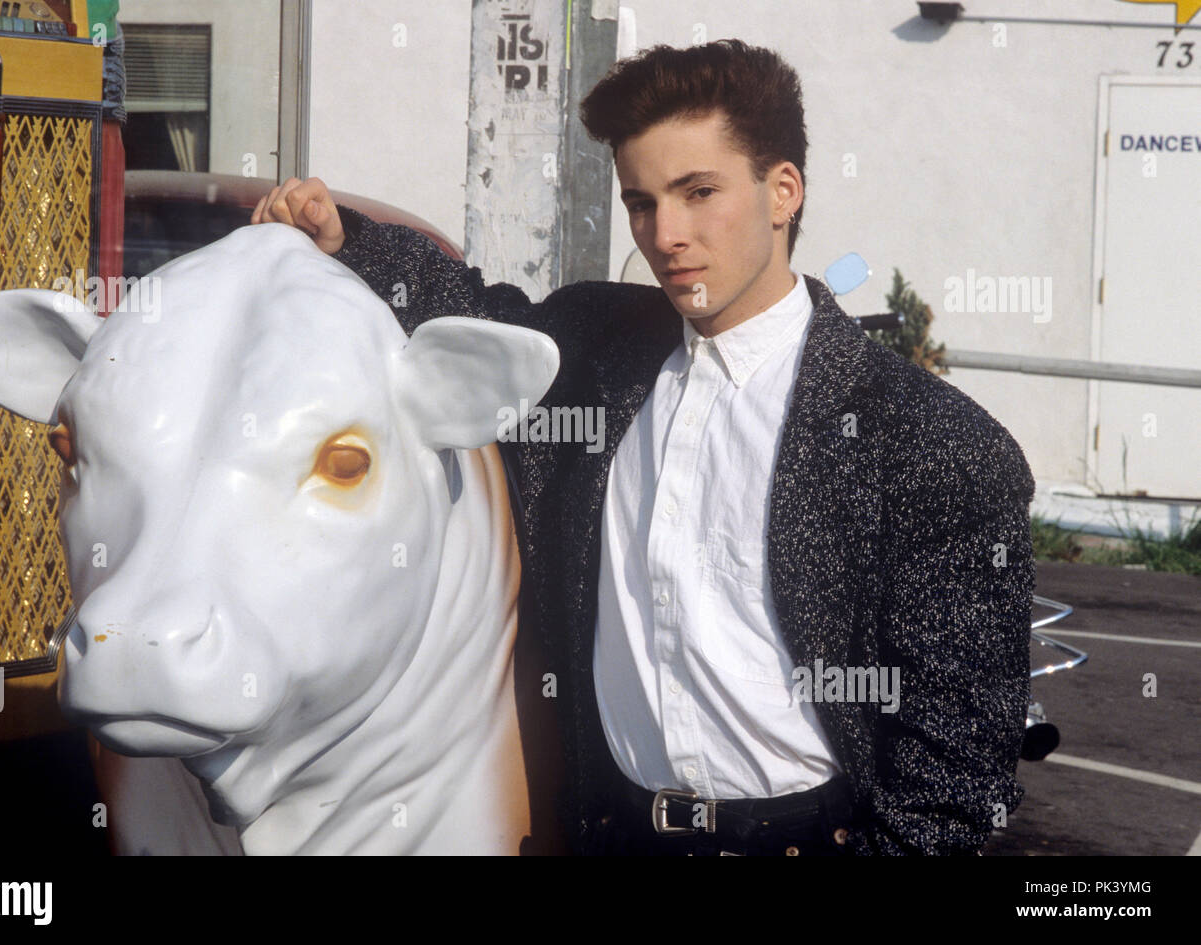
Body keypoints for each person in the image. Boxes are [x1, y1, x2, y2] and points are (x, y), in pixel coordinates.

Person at [252, 39, 1036, 855]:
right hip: (612, 831)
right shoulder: (597, 347)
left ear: (783, 191)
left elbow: (954, 786)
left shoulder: (934, 444)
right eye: (641, 202)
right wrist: (350, 242)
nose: (667, 234)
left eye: (699, 193)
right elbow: (476, 313)